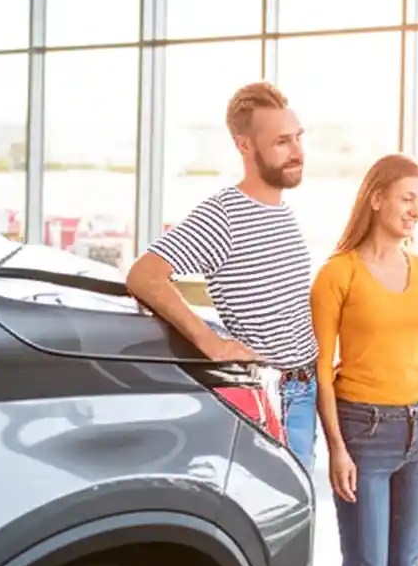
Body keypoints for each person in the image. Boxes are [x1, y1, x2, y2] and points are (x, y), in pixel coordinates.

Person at [125, 81, 320, 470]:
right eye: (283, 142)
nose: (298, 151)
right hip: (269, 399)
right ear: (244, 146)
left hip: (305, 391)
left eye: (298, 138)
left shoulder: (283, 212)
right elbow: (144, 276)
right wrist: (212, 343)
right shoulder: (224, 214)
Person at [310, 153, 418, 566]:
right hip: (364, 433)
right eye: (408, 198)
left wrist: (417, 389)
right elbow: (322, 369)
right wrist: (338, 449)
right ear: (377, 198)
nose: (416, 210)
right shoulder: (337, 273)